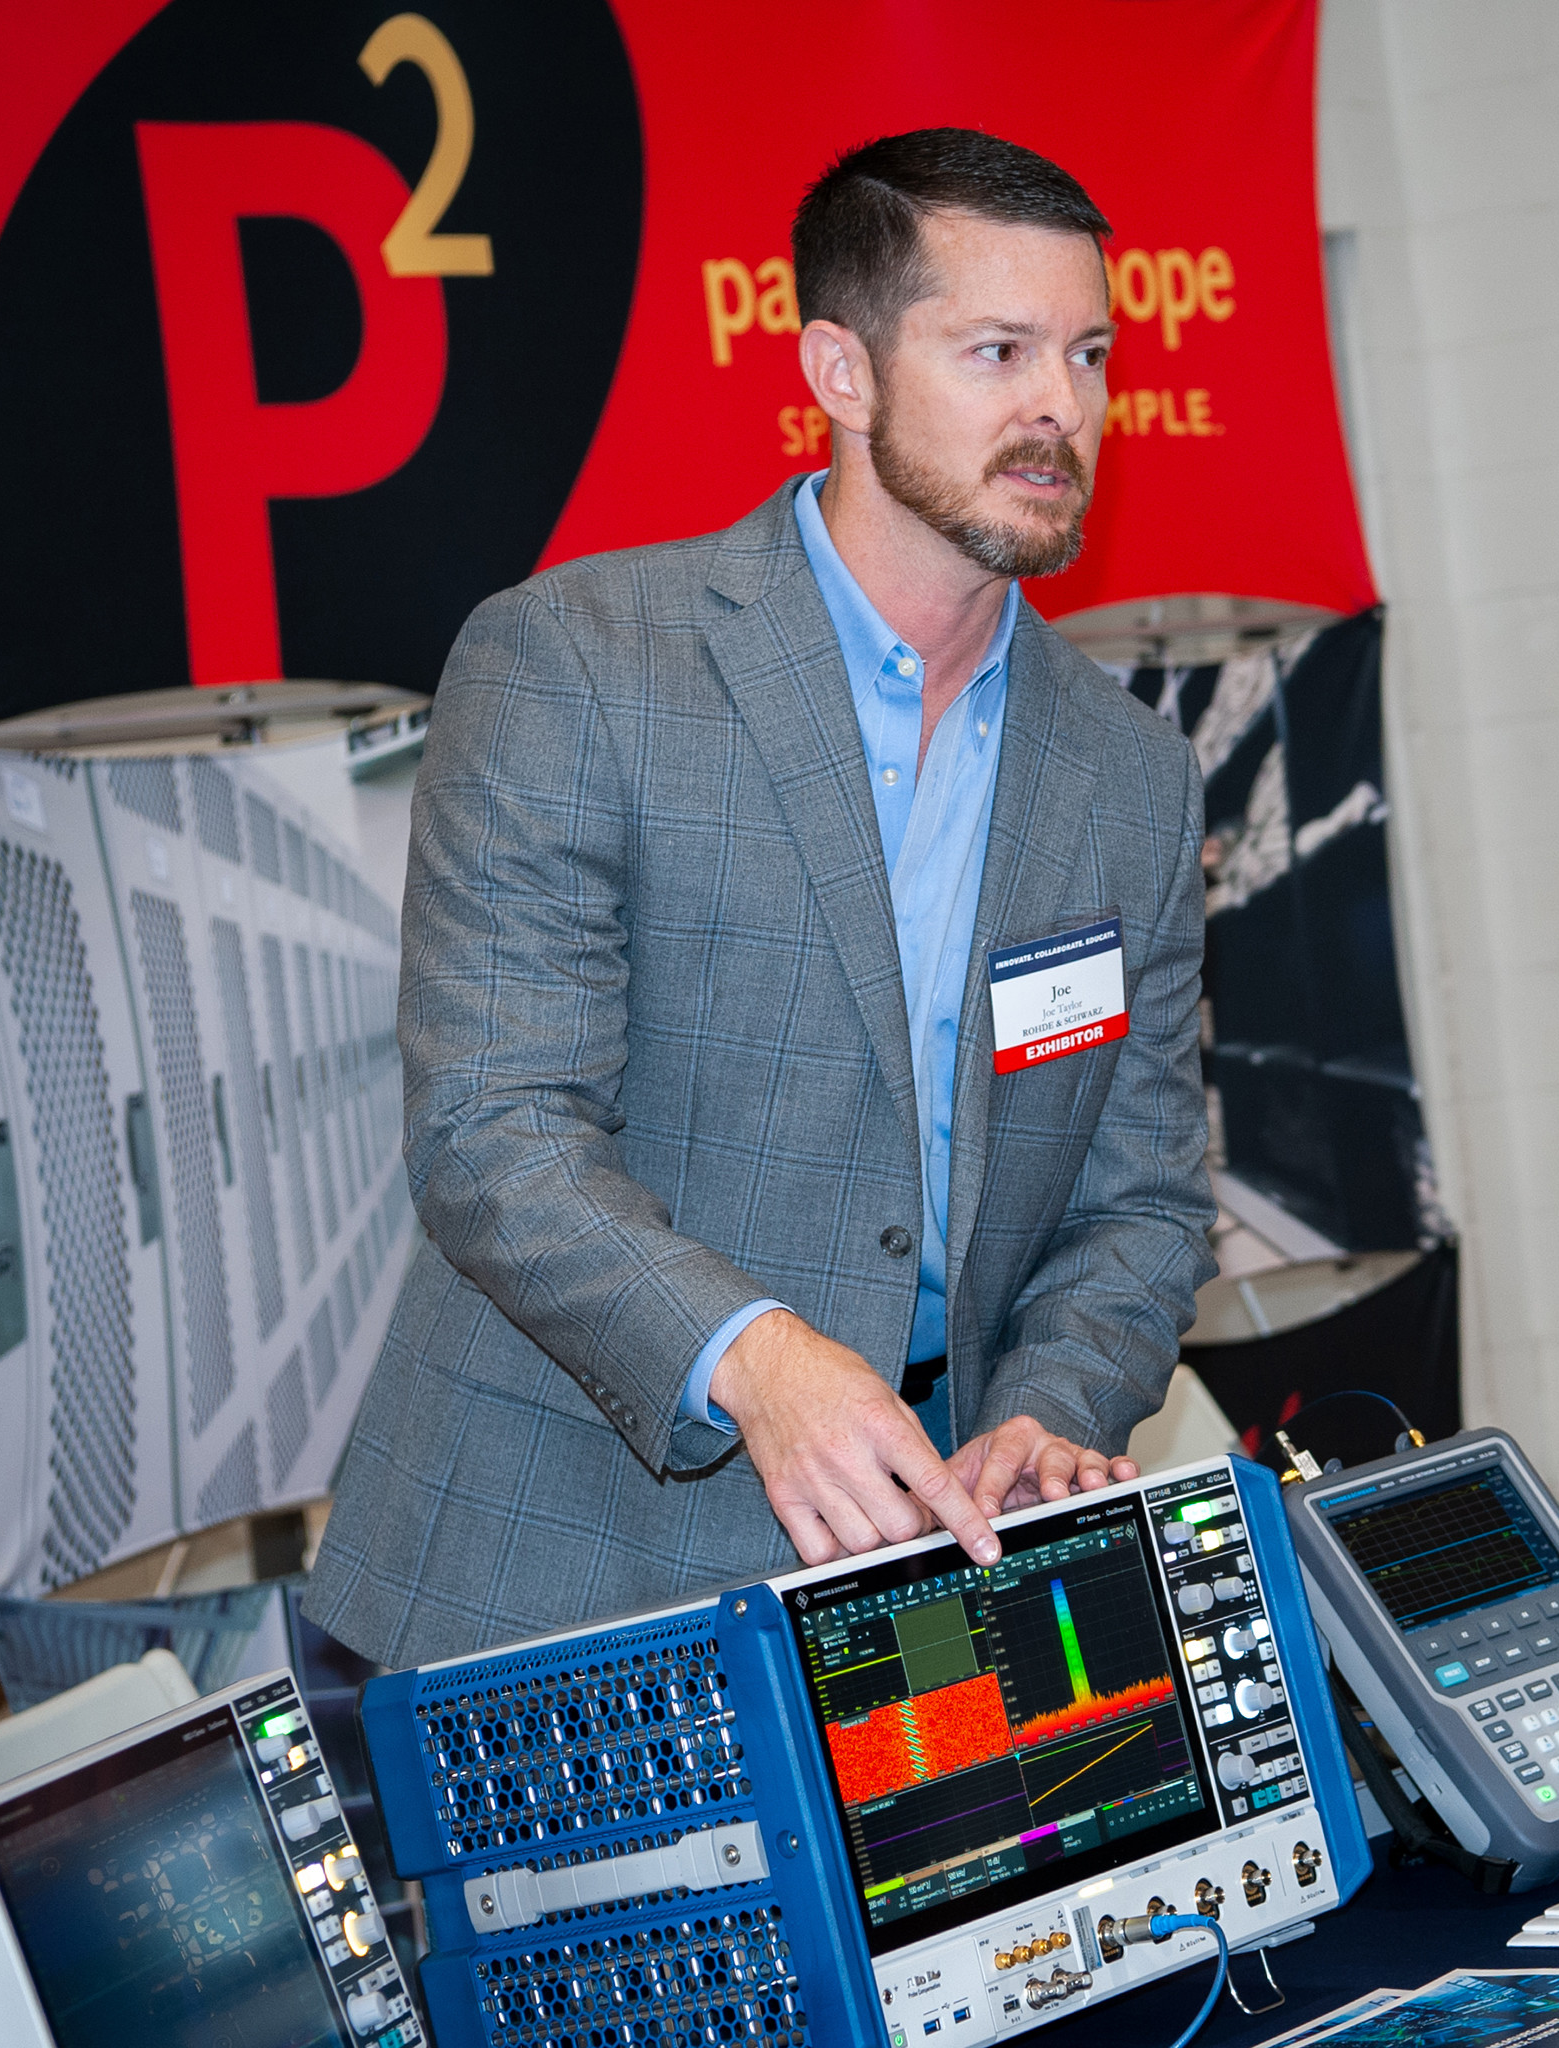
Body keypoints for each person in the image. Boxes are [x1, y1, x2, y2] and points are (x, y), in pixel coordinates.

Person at [305, 130, 1216, 1669]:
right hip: (547, 1585)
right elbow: (491, 1129)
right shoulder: (579, 663)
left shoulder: (1129, 774)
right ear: (840, 373)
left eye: (1088, 353)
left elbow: (1142, 1205)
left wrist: (1046, 1412)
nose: (1060, 406)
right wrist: (758, 1357)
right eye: (996, 351)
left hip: (924, 1579)